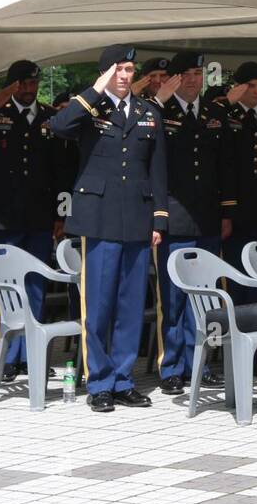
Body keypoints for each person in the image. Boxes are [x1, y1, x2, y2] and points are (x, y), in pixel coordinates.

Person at [48, 46, 167, 411]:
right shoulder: (89, 109)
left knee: (130, 305)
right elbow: (58, 126)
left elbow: (158, 168)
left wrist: (159, 217)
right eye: (117, 69)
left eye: (129, 69)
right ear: (104, 73)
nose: (124, 75)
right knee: (98, 305)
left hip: (136, 216)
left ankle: (123, 379)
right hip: (98, 218)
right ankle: (98, 381)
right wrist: (93, 91)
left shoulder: (149, 112)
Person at [152, 52, 237, 396]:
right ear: (173, 79)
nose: (193, 80)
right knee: (172, 298)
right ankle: (171, 366)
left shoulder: (215, 113)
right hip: (175, 217)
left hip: (207, 217)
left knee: (205, 296)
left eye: (198, 74)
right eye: (186, 74)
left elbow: (226, 165)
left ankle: (201, 362)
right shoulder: (160, 112)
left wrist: (227, 210)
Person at [0, 59, 64, 381]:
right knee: (8, 286)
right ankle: (9, 355)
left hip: (40, 216)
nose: (29, 91)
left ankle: (31, 354)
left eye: (33, 85)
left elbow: (60, 169)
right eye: (23, 85)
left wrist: (59, 214)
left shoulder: (48, 118)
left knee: (35, 285)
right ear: (12, 86)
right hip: (6, 216)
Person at [223, 61, 257, 281]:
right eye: (251, 86)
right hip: (238, 206)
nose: (256, 91)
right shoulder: (227, 115)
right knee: (238, 271)